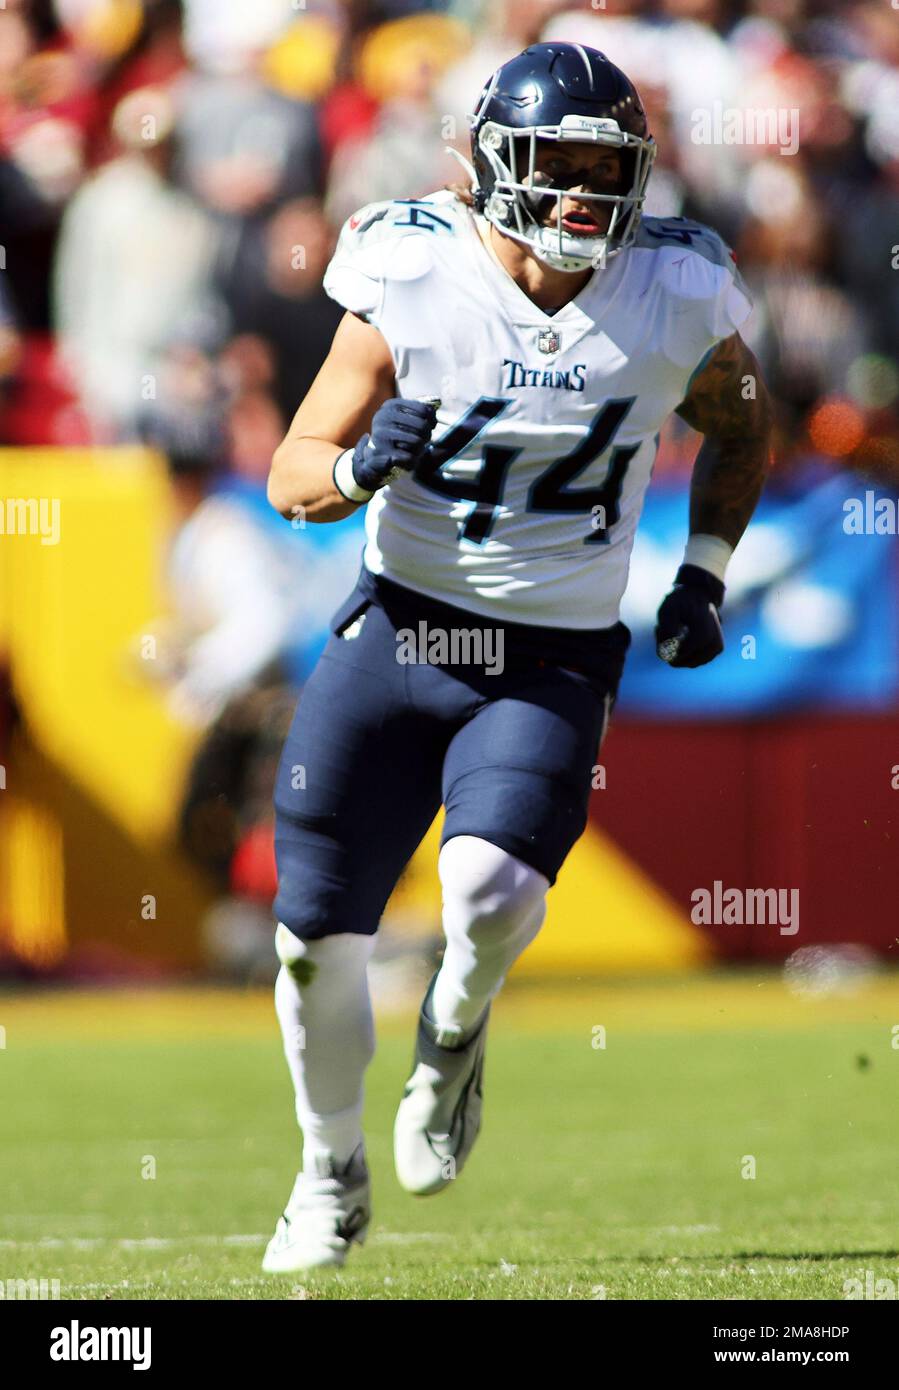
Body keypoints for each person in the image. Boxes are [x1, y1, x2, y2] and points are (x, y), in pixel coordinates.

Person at [262, 41, 772, 1272]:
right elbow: (291, 472)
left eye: (611, 168)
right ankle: (329, 1168)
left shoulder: (677, 290)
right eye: (562, 166)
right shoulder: (410, 269)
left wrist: (703, 566)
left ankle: (449, 1040)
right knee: (309, 938)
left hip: (547, 651)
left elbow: (744, 429)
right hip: (397, 629)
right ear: (495, 164)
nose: (588, 196)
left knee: (489, 891)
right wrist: (354, 466)